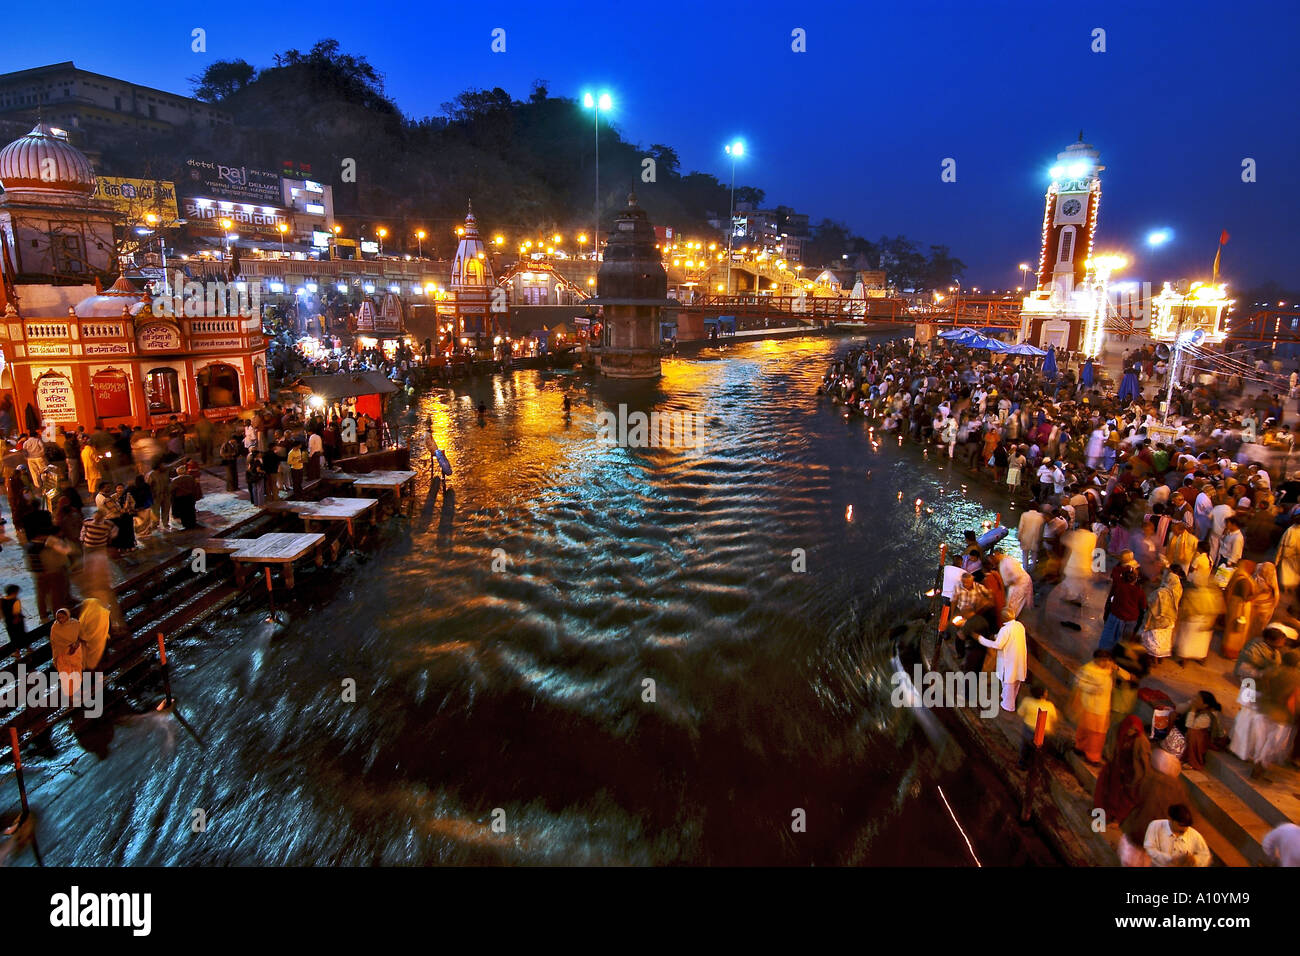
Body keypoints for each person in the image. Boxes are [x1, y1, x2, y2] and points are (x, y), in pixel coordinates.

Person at [1093, 714, 1150, 824]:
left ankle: (1116, 818)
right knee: (1105, 790)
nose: (1131, 731)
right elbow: (1110, 746)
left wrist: (1136, 777)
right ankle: (1102, 813)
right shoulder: (1117, 732)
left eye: (1134, 730)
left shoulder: (1140, 742)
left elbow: (1143, 762)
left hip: (1129, 773)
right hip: (1115, 768)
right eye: (1130, 728)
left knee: (1123, 798)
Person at [1070, 649, 1123, 765]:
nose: (1105, 663)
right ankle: (1091, 756)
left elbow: (1125, 676)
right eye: (1102, 661)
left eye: (1107, 660)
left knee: (1090, 730)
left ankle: (1081, 748)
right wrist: (1094, 689)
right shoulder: (1088, 670)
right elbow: (1079, 682)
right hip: (1092, 706)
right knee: (1095, 733)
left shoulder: (1109, 669)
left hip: (1102, 707)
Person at [978, 608, 1027, 713]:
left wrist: (982, 640)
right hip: (1019, 659)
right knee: (1015, 683)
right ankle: (1008, 699)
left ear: (1004, 618)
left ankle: (1008, 706)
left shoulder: (1005, 630)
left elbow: (998, 645)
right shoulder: (1019, 625)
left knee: (1008, 683)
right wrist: (997, 636)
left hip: (1009, 661)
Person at [1144, 804, 1212, 867]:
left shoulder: (1194, 834)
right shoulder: (1155, 826)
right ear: (1171, 820)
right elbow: (1149, 849)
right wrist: (1171, 859)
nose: (1184, 829)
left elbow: (1205, 854)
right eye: (1181, 825)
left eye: (1186, 826)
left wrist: (1195, 860)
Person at [1015, 683, 1058, 768]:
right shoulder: (1049, 705)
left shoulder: (1027, 701)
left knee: (1025, 746)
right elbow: (1054, 718)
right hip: (1042, 731)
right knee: (1038, 750)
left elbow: (1020, 713)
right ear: (1044, 695)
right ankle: (1036, 765)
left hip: (1029, 729)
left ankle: (1022, 764)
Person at [1181, 691, 1223, 771]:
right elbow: (1178, 709)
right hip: (1200, 731)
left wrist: (1193, 710)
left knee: (1193, 733)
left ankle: (1194, 762)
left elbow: (1190, 726)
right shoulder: (1200, 707)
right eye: (1195, 697)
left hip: (1211, 739)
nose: (1194, 700)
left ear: (1205, 705)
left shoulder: (1207, 716)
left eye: (1197, 699)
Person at [48, 607, 83, 698]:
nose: (60, 620)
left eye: (62, 617)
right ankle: (70, 695)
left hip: (75, 653)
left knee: (76, 672)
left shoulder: (75, 623)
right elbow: (54, 642)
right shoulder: (55, 628)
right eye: (58, 618)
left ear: (67, 616)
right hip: (62, 654)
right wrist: (67, 646)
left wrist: (75, 645)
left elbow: (80, 635)